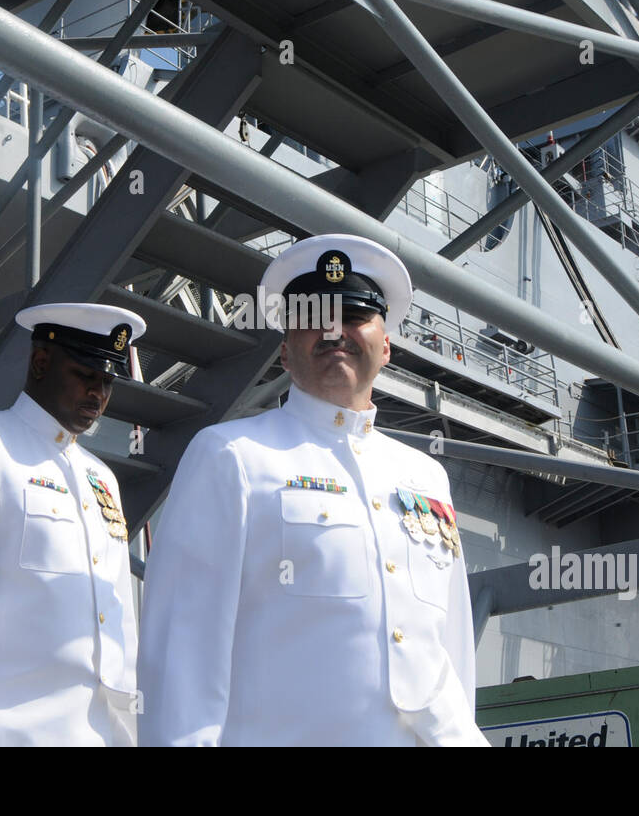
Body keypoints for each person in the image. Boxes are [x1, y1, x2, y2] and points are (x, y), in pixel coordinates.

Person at [138, 233, 487, 746]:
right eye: (312, 317)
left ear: (385, 345)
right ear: (284, 352)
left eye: (353, 317)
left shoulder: (426, 478)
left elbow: (453, 644)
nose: (333, 331)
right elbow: (182, 654)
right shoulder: (232, 456)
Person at [0, 302, 146, 746]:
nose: (98, 393)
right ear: (40, 362)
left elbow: (119, 620)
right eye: (85, 376)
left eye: (108, 382)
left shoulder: (102, 478)